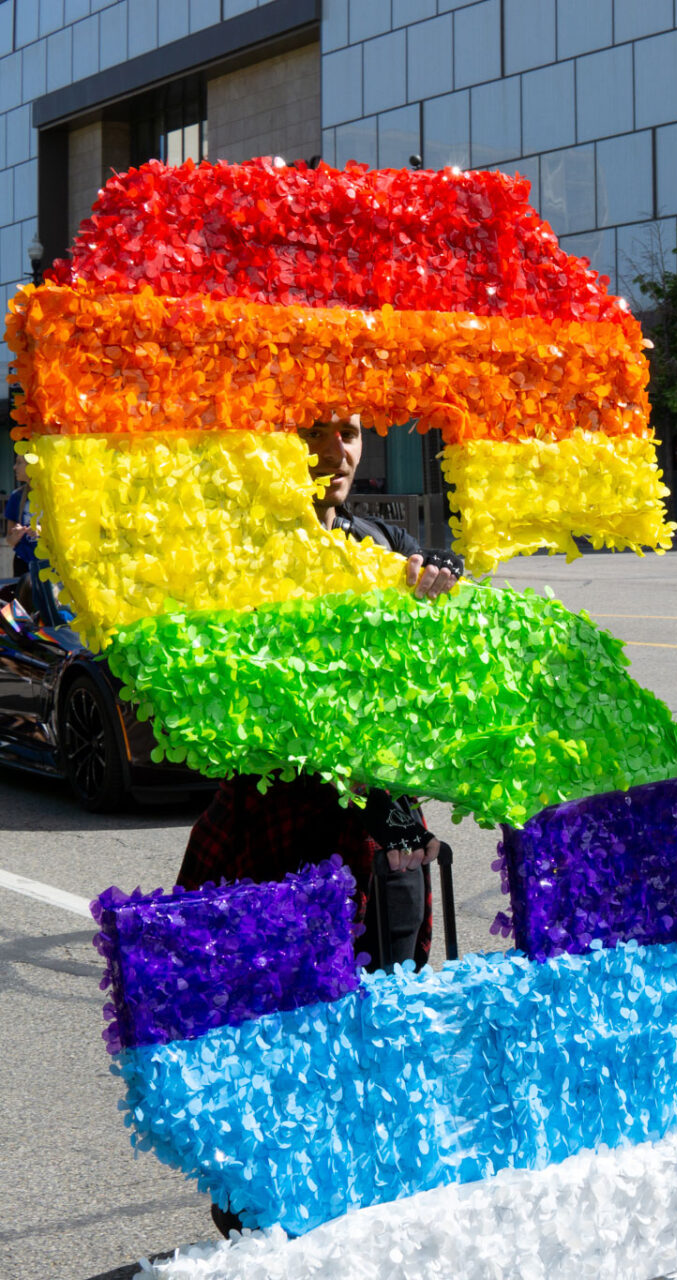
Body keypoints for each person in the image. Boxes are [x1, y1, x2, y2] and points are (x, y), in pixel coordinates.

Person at [181, 420, 462, 1237]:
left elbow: (435, 690)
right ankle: (264, 1224)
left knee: (385, 1029)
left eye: (349, 432)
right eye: (315, 430)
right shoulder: (235, 553)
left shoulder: (387, 546)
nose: (336, 450)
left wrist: (440, 605)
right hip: (275, 825)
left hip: (378, 832)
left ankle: (364, 1220)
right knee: (269, 1036)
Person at [5, 453, 37, 577]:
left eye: (19, 463)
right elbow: (9, 540)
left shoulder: (54, 496)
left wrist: (43, 531)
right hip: (23, 563)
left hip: (50, 564)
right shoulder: (16, 496)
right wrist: (16, 536)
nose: (14, 467)